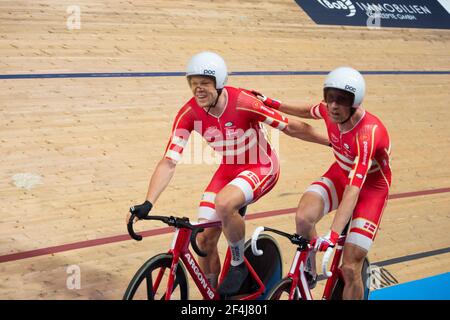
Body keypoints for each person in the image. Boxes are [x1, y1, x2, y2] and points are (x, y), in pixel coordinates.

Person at [126, 51, 330, 299]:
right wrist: (149, 202)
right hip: (229, 170)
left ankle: (237, 263)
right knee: (203, 241)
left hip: (261, 166)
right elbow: (169, 161)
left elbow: (293, 128)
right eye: (193, 84)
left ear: (219, 83)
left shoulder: (243, 102)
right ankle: (213, 298)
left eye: (204, 84)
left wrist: (332, 143)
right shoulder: (189, 113)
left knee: (223, 202)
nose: (198, 90)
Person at [253, 66, 392, 299]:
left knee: (349, 268)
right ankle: (309, 269)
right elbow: (308, 111)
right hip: (341, 172)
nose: (334, 106)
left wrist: (334, 234)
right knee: (303, 217)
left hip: (370, 189)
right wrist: (273, 104)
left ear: (355, 103)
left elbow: (354, 188)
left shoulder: (368, 133)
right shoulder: (330, 110)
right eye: (330, 99)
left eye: (342, 100)